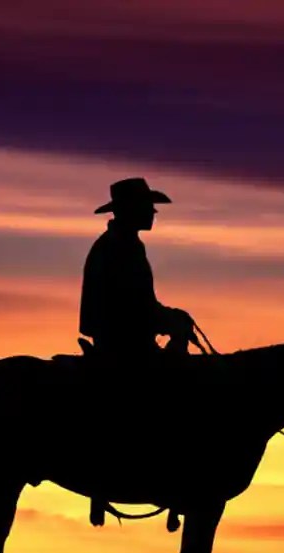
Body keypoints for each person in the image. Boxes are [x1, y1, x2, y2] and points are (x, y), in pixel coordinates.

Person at [78, 177, 197, 526]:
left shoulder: (125, 246)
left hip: (125, 338)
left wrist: (168, 316)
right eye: (148, 208)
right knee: (174, 391)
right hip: (121, 344)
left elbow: (141, 304)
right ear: (132, 211)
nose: (153, 213)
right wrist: (166, 319)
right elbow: (130, 307)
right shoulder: (117, 248)